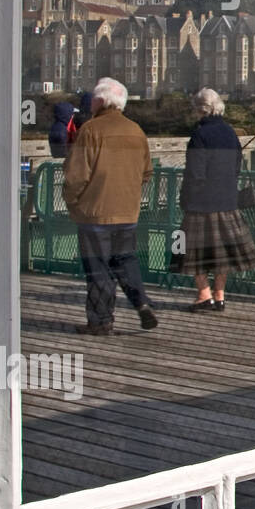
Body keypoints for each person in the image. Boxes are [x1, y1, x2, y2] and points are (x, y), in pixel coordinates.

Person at [61, 77, 158, 335]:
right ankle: (142, 302)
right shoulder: (137, 130)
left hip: (96, 214)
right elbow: (147, 172)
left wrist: (73, 202)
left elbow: (76, 176)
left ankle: (101, 321)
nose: (90, 102)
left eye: (93, 97)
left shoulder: (91, 130)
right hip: (127, 212)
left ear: (102, 101)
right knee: (125, 261)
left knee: (98, 268)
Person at [170, 88, 255, 311]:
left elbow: (195, 173)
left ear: (201, 110)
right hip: (228, 202)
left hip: (201, 204)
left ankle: (204, 294)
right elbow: (236, 167)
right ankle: (220, 295)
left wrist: (186, 198)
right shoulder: (230, 133)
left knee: (190, 252)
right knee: (223, 254)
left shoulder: (200, 135)